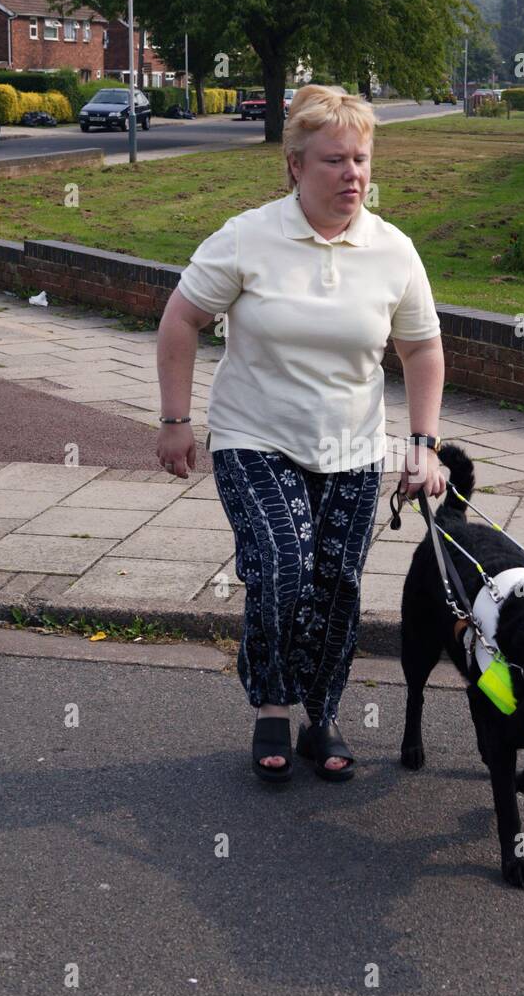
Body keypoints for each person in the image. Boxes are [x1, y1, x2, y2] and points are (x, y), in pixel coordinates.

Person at [155, 84, 446, 783]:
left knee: (337, 584)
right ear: (294, 165)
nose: (352, 174)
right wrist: (174, 420)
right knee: (282, 571)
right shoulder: (247, 237)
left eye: (362, 160)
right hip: (254, 438)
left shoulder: (393, 250)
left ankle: (322, 714)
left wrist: (423, 445)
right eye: (334, 160)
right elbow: (179, 321)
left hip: (350, 447)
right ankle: (272, 708)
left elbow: (422, 350)